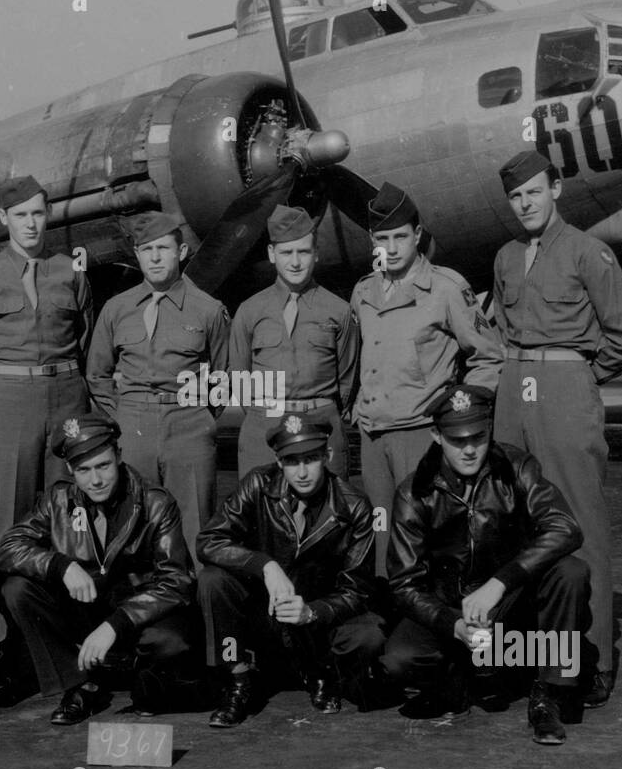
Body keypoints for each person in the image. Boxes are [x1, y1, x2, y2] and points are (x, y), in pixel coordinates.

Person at [490, 150, 622, 708]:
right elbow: (504, 329)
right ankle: (530, 658)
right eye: (515, 196)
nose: (525, 203)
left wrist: (578, 377)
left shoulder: (589, 251)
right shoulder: (505, 257)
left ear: (556, 188)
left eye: (534, 191)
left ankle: (593, 658)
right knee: (512, 524)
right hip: (513, 392)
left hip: (564, 392)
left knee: (579, 524)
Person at [383, 385, 589, 745]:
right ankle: (463, 676)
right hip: (452, 611)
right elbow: (403, 584)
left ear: (489, 430)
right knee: (400, 659)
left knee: (570, 571)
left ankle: (549, 695)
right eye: (456, 439)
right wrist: (454, 625)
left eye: (478, 437)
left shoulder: (517, 467)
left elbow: (566, 527)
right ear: (436, 436)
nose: (468, 449)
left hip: (511, 606)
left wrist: (500, 583)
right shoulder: (413, 492)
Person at [0, 413, 201, 724]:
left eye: (103, 466)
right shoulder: (58, 499)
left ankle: (135, 675)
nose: (95, 480)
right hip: (83, 612)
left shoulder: (156, 503)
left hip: (134, 617)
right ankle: (80, 684)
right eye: (83, 470)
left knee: (173, 643)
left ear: (119, 456)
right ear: (70, 470)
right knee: (17, 588)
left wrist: (117, 624)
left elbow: (177, 581)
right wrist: (60, 565)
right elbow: (8, 548)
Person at [349, 182, 503, 573]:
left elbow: (488, 355)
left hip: (419, 433)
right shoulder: (363, 291)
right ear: (372, 240)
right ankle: (390, 616)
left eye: (401, 237)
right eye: (383, 239)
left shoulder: (446, 288)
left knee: (430, 536)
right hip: (372, 436)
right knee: (383, 536)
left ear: (417, 235)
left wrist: (462, 412)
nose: (393, 248)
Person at [197, 412, 386, 727]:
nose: (301, 472)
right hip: (265, 610)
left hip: (318, 618)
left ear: (327, 456)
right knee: (211, 580)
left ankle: (324, 673)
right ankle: (239, 679)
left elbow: (358, 590)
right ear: (277, 460)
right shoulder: (259, 483)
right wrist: (264, 565)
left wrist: (311, 612)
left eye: (310, 459)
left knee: (368, 635)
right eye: (291, 461)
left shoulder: (354, 506)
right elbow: (209, 540)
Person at [86, 212, 230, 562]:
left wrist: (197, 417)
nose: (154, 257)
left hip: (189, 427)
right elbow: (97, 374)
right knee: (133, 526)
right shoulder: (116, 309)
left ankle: (194, 608)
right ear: (136, 255)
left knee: (194, 527)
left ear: (181, 252)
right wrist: (122, 415)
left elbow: (223, 378)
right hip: (132, 428)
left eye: (163, 248)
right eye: (146, 249)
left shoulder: (209, 310)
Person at [0, 175, 94, 536]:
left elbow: (86, 336)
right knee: (12, 509)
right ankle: (11, 586)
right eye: (20, 215)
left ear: (48, 214)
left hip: (67, 397)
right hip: (10, 400)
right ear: (4, 218)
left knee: (69, 505)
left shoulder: (71, 271)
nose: (30, 224)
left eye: (37, 213)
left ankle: (68, 584)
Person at [229, 203, 357, 478]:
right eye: (287, 252)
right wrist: (264, 412)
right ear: (272, 254)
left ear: (317, 254)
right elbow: (239, 376)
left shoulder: (339, 310)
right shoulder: (249, 311)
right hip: (264, 427)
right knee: (262, 513)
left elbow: (346, 379)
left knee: (327, 514)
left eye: (304, 252)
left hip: (321, 425)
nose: (296, 262)